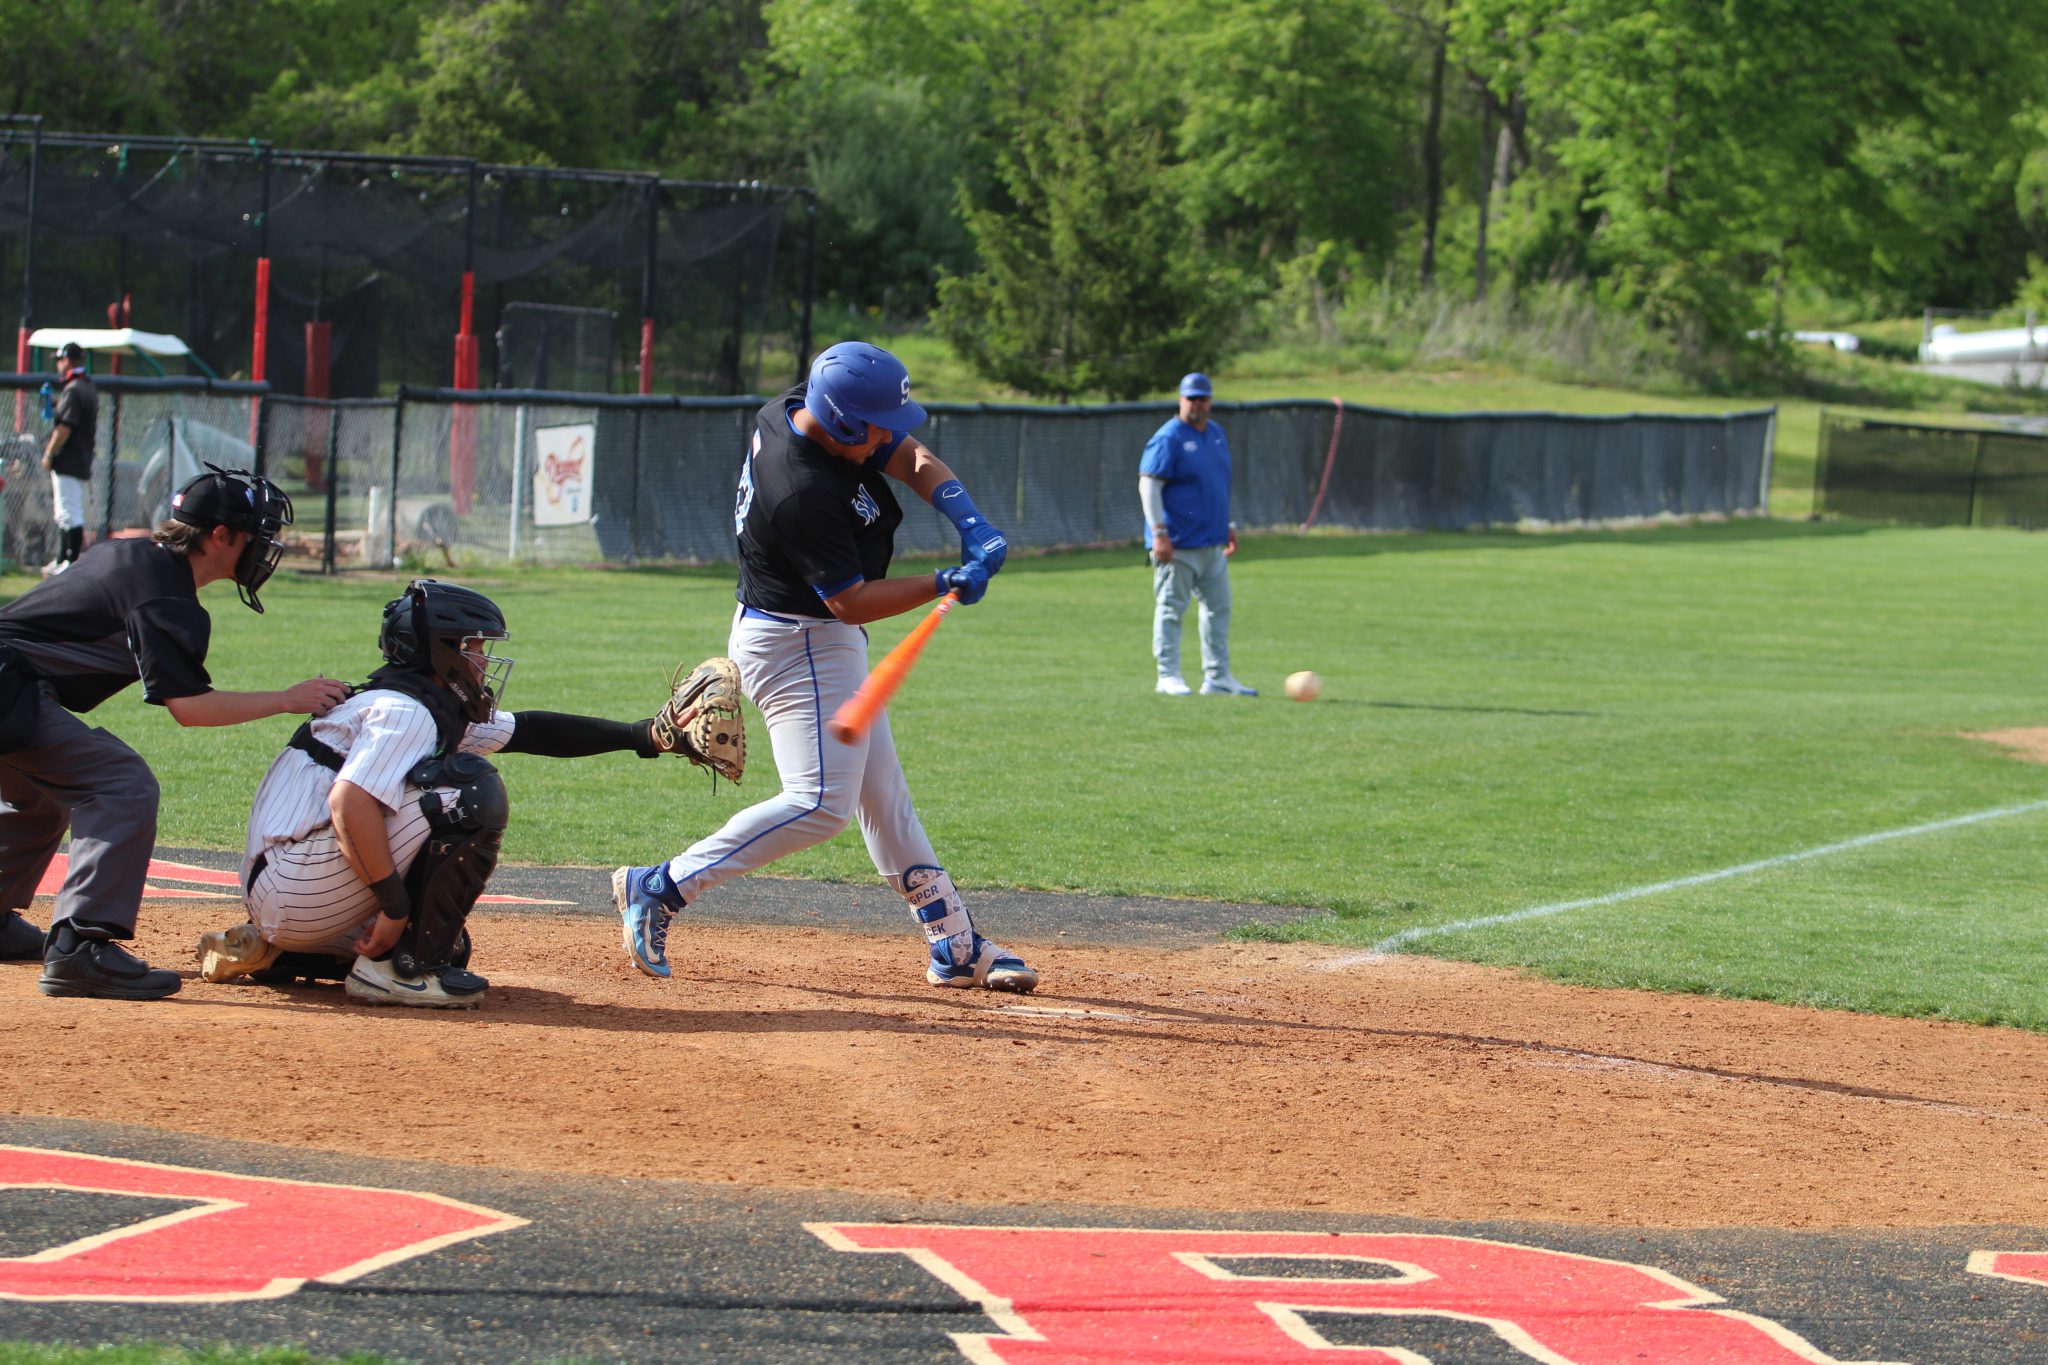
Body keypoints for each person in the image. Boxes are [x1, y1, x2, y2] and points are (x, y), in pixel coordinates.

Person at [611, 340, 1039, 993]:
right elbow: (850, 600)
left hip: (815, 635)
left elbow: (907, 453)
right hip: (798, 643)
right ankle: (660, 886)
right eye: (875, 427)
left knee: (883, 799)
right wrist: (944, 579)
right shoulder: (799, 489)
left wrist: (968, 517)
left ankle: (954, 943)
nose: (890, 437)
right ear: (840, 423)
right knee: (820, 803)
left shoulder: (803, 408)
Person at [195, 579, 732, 1009]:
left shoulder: (409, 700)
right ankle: (402, 973)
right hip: (299, 882)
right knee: (468, 794)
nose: (482, 659)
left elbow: (532, 731)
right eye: (474, 646)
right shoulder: (405, 712)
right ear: (441, 651)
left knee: (449, 939)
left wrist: (645, 736)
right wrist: (394, 907)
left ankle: (278, 952)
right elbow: (348, 803)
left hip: (283, 887)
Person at [0, 465, 353, 999]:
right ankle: (81, 948)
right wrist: (287, 699)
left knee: (42, 797)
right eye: (256, 537)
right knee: (121, 782)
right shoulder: (165, 594)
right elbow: (189, 707)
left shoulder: (134, 554)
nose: (264, 550)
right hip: (10, 688)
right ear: (219, 536)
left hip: (15, 688)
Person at [1141, 371, 1256, 697]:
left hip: (1211, 542)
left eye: (1202, 397)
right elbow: (1148, 485)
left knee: (1219, 610)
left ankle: (1217, 678)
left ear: (1210, 400)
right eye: (1191, 397)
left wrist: (1228, 524)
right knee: (1170, 610)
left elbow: (1216, 485)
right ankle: (1168, 675)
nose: (1197, 403)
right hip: (1177, 544)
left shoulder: (1216, 433)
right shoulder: (1169, 437)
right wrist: (1159, 533)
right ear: (1181, 399)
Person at [41, 341, 97, 576]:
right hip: (80, 457)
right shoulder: (86, 385)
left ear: (67, 360)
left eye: (60, 359)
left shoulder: (74, 389)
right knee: (63, 510)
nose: (58, 364)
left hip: (69, 458)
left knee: (68, 510)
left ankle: (71, 561)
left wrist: (49, 453)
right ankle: (63, 557)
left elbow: (65, 427)